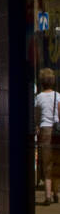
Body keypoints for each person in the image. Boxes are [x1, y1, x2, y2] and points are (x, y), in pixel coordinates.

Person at [35, 68, 60, 205]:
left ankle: (48, 195)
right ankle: (56, 193)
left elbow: (36, 117)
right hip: (57, 133)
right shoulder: (58, 96)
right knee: (56, 163)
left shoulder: (38, 97)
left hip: (44, 131)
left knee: (46, 164)